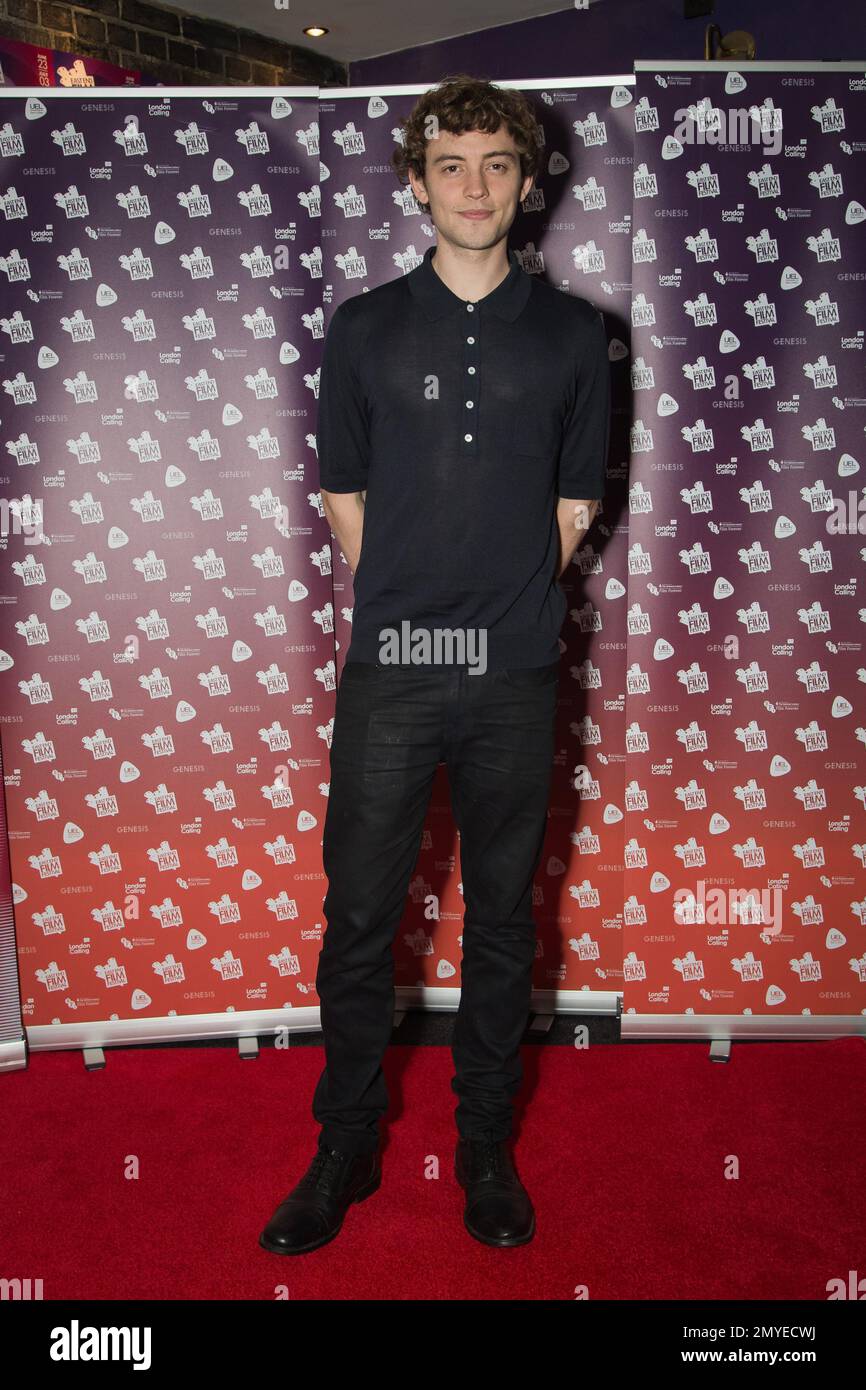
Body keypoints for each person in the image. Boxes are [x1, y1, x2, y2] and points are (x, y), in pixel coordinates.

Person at [260, 73, 610, 1256]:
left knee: (503, 919)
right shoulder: (362, 328)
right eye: (449, 164)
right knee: (360, 915)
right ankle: (345, 1141)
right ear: (415, 184)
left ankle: (482, 1145)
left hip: (513, 673)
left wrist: (493, 612)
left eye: (495, 165)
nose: (473, 185)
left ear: (525, 181)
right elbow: (342, 498)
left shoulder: (577, 338)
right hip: (394, 670)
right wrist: (420, 605)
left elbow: (569, 514)